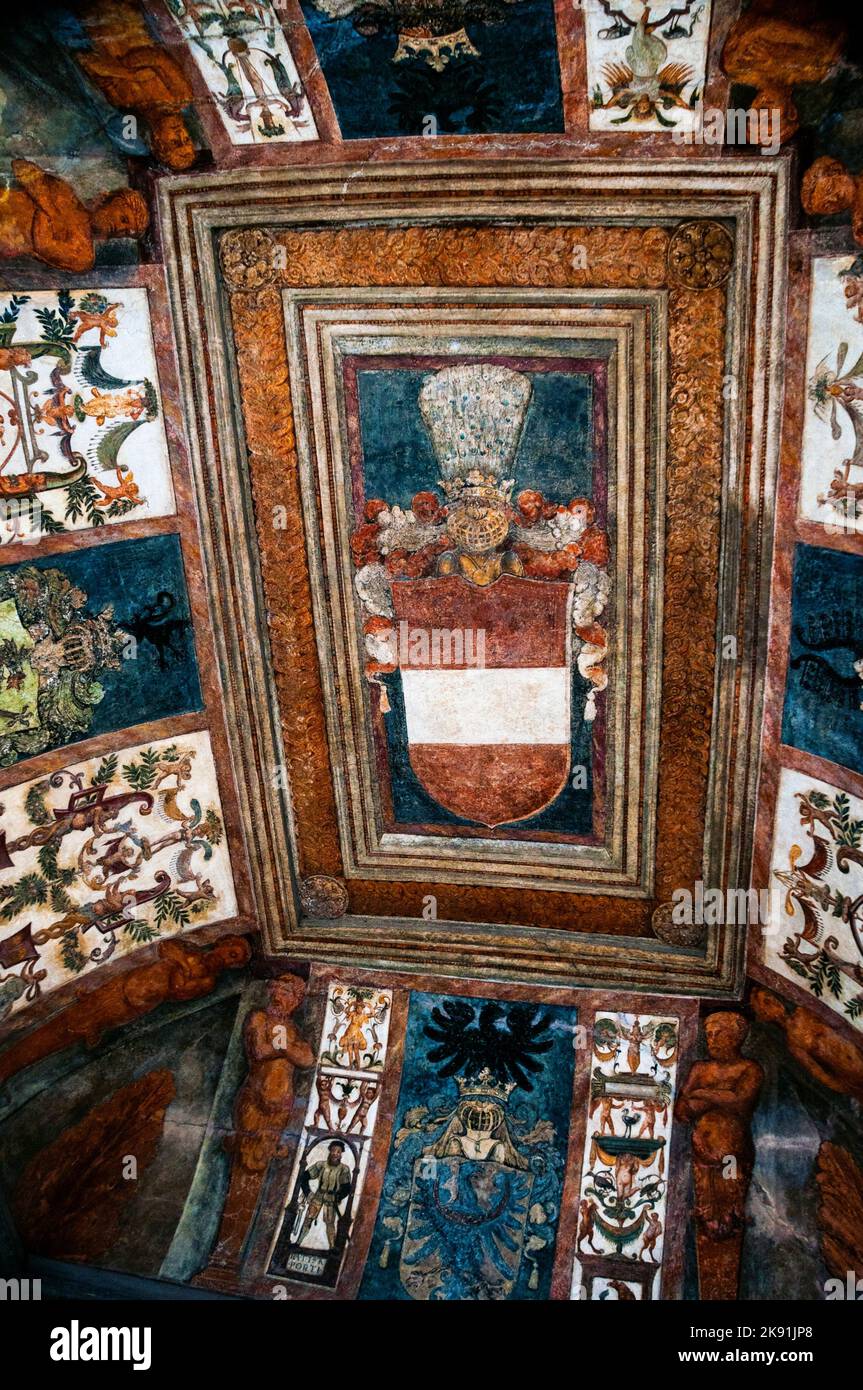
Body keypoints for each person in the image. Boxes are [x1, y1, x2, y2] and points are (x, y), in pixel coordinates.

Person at [297, 1140, 352, 1249]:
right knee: (308, 1218)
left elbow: (346, 1187)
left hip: (331, 1199)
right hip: (318, 1196)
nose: (335, 1154)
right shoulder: (320, 1165)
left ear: (341, 1154)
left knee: (330, 1223)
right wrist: (308, 1193)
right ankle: (298, 1242)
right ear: (330, 1151)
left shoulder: (344, 1169)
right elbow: (304, 1177)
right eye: (333, 1151)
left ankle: (331, 1247)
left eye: (338, 1152)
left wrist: (338, 1196)